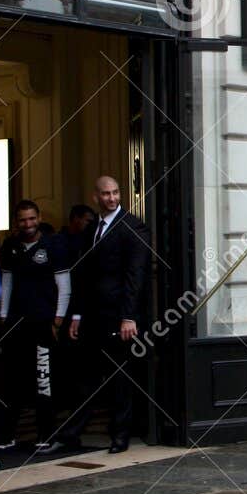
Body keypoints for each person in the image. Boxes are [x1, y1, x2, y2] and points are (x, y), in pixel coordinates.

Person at [48, 176, 150, 455]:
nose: (112, 198)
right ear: (96, 197)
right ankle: (71, 435)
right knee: (85, 379)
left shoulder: (132, 226)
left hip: (118, 317)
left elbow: (135, 275)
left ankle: (121, 435)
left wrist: (129, 317)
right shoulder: (92, 228)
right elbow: (84, 274)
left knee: (120, 378)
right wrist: (78, 314)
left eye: (115, 193)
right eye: (106, 194)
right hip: (92, 316)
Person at [0, 200, 71, 453]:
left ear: (39, 218)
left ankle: (45, 435)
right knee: (11, 381)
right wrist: (4, 316)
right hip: (17, 322)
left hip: (43, 323)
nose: (27, 224)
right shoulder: (11, 246)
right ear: (16, 222)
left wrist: (58, 319)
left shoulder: (53, 245)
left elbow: (64, 285)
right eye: (22, 220)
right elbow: (7, 282)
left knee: (43, 381)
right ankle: (6, 435)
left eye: (31, 219)